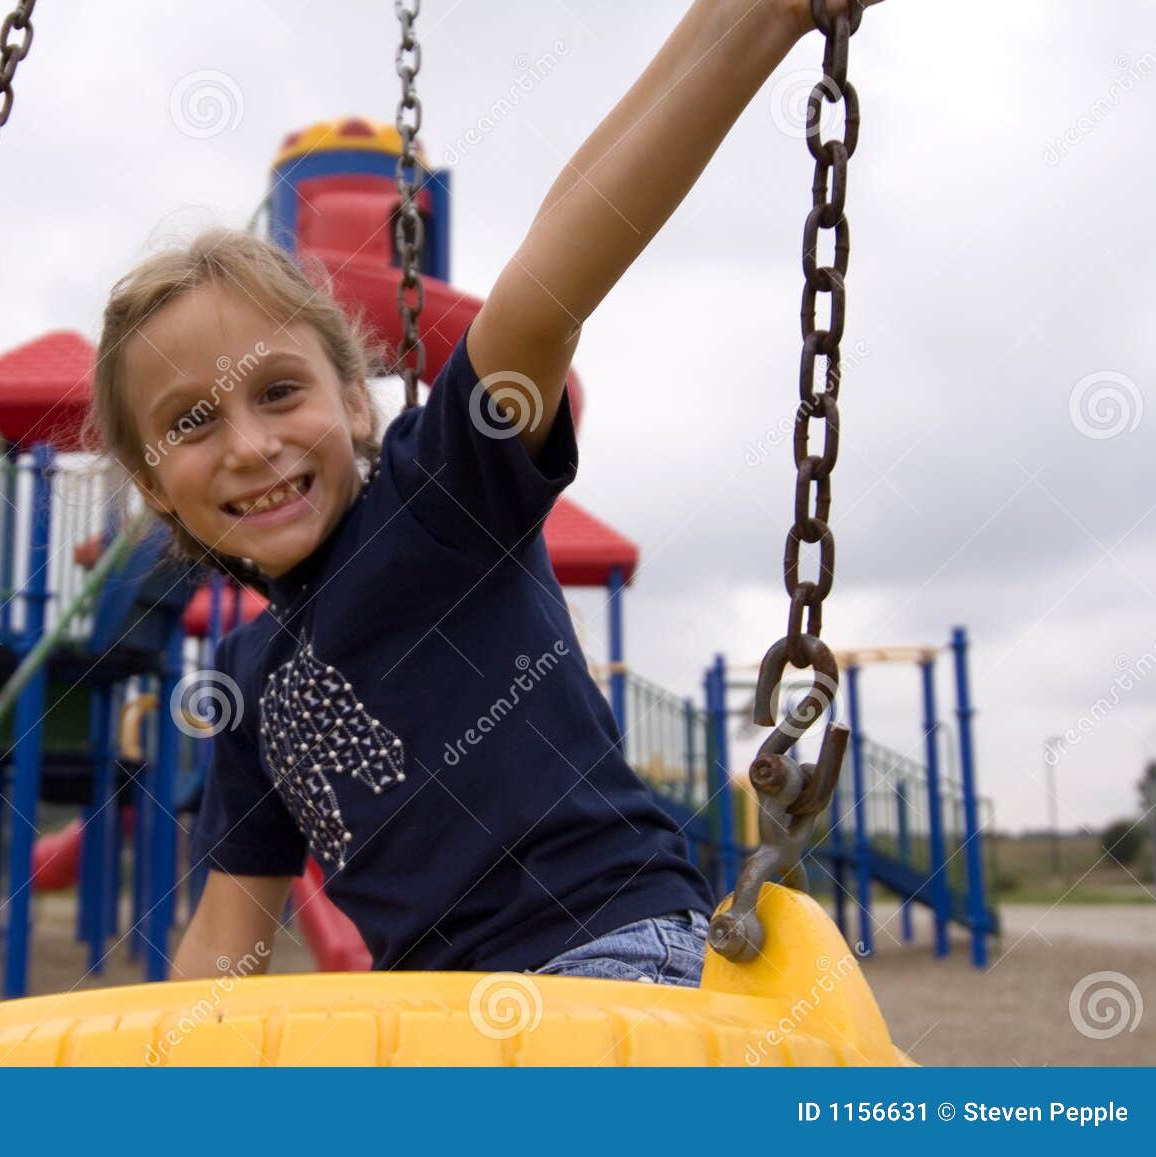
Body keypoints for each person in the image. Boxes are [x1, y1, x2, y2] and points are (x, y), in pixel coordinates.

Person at [88, 0, 877, 984]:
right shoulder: (245, 687)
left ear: (354, 405)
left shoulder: (439, 498)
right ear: (155, 488)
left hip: (607, 954)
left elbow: (551, 277)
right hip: (440, 1017)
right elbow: (224, 933)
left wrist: (756, 20)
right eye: (192, 422)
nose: (248, 444)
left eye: (278, 391)